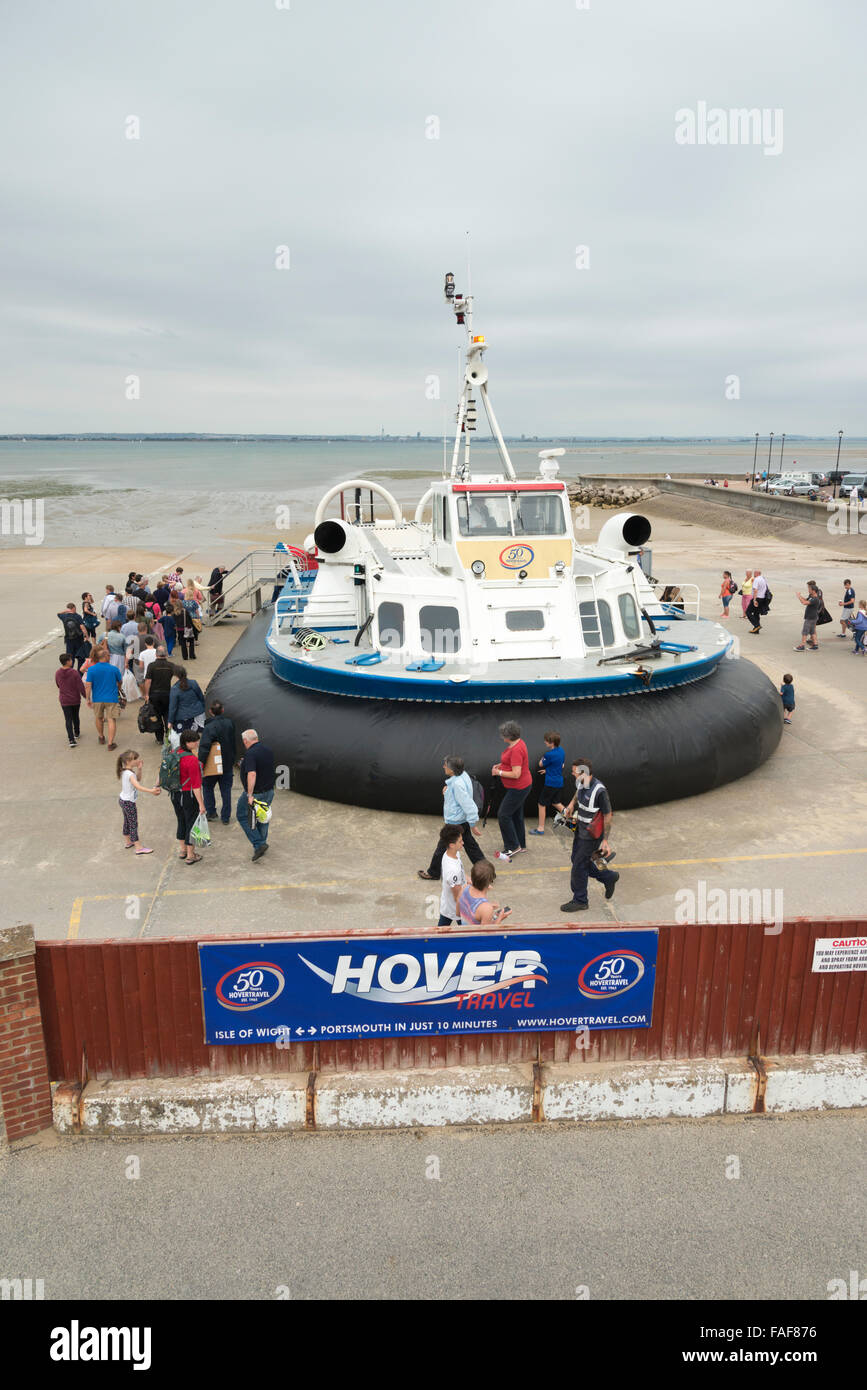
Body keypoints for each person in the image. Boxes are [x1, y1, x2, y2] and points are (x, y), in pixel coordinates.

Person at [559, 757, 619, 912]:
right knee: (577, 860)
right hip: (581, 829)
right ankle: (608, 877)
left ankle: (580, 900)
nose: (572, 774)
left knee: (578, 866)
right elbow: (578, 792)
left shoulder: (600, 791)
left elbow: (608, 815)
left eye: (574, 772)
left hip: (592, 835)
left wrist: (605, 840)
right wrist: (572, 804)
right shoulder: (582, 782)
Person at [417, 755, 485, 880]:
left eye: (445, 765)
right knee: (471, 846)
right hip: (461, 820)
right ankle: (486, 873)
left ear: (452, 770)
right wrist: (447, 791)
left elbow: (468, 804)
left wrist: (473, 824)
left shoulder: (456, 785)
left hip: (454, 822)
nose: (443, 766)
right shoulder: (463, 776)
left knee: (442, 847)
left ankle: (433, 873)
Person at [492, 720, 532, 863]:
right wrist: (501, 765)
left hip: (519, 788)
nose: (502, 737)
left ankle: (512, 846)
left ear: (508, 736)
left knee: (503, 814)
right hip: (521, 786)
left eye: (503, 735)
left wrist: (499, 772)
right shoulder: (518, 743)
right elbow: (512, 764)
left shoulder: (516, 749)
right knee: (516, 815)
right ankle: (521, 844)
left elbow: (516, 774)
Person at [237, 729, 276, 862]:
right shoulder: (268, 750)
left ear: (245, 741)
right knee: (263, 817)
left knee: (242, 815)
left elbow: (252, 774)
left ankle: (259, 844)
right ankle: (262, 843)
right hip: (269, 791)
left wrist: (249, 794)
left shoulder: (251, 754)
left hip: (256, 793)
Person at [170, 729, 206, 865]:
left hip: (174, 793)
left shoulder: (174, 753)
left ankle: (183, 850)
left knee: (181, 820)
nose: (197, 743)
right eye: (194, 741)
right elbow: (196, 786)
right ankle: (191, 855)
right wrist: (201, 804)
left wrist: (156, 786)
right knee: (191, 823)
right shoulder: (191, 760)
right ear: (187, 743)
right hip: (188, 795)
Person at [198, 700, 236, 824]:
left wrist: (201, 763)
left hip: (212, 765)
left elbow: (204, 747)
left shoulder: (209, 727)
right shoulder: (230, 723)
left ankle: (212, 813)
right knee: (226, 791)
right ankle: (226, 817)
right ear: (223, 710)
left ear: (210, 712)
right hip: (227, 763)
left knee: (208, 787)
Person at [116, 749, 160, 854]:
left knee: (127, 821)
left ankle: (128, 841)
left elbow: (138, 779)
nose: (138, 760)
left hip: (123, 800)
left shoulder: (126, 771)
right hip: (129, 802)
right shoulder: (129, 774)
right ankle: (138, 847)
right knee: (133, 824)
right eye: (135, 759)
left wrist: (140, 769)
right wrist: (152, 791)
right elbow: (138, 786)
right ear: (128, 761)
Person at [84, 651, 123, 749]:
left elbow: (88, 685)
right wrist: (118, 689)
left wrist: (88, 698)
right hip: (111, 698)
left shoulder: (92, 669)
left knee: (98, 717)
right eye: (109, 655)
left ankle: (101, 737)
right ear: (105, 657)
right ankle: (110, 743)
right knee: (111, 719)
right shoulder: (114, 669)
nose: (110, 657)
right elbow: (120, 681)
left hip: (97, 698)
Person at [457, 860, 511, 927]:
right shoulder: (486, 908)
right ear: (490, 881)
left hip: (463, 931)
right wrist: (500, 918)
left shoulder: (464, 888)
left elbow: (458, 913)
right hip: (474, 937)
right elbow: (486, 935)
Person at [531, 731, 565, 835]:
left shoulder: (549, 754)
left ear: (552, 743)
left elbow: (540, 764)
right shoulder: (562, 751)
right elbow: (561, 765)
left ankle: (540, 829)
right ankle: (574, 820)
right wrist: (548, 770)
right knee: (556, 803)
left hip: (551, 783)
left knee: (541, 804)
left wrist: (543, 759)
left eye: (547, 741)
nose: (545, 742)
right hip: (559, 782)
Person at [143, 646, 179, 741]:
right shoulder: (171, 665)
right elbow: (179, 676)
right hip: (167, 694)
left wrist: (146, 694)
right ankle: (169, 737)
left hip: (154, 695)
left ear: (156, 654)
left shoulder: (151, 666)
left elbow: (148, 681)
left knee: (157, 716)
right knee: (167, 715)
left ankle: (159, 739)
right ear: (166, 654)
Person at [436, 825, 466, 926]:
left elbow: (460, 872)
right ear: (452, 845)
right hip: (458, 910)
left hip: (447, 905)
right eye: (460, 841)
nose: (463, 843)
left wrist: (468, 879)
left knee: (440, 933)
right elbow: (458, 897)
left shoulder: (451, 853)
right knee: (469, 935)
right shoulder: (452, 870)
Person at [55, 652, 87, 747]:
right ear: (68, 661)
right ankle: (76, 732)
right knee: (75, 716)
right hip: (75, 699)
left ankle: (71, 740)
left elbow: (58, 684)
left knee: (68, 719)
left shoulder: (58, 673)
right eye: (71, 659)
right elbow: (80, 686)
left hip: (64, 700)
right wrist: (86, 696)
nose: (72, 661)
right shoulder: (74, 672)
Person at [57, 602, 90, 668]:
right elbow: (82, 627)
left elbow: (58, 614)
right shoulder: (77, 616)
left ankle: (70, 670)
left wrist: (66, 611)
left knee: (70, 657)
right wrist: (87, 637)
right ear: (74, 608)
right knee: (81, 656)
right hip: (79, 639)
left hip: (69, 639)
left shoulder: (64, 616)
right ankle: (80, 672)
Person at [794, 580, 822, 651]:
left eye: (810, 589)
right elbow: (805, 599)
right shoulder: (811, 597)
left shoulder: (815, 599)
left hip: (811, 618)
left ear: (814, 591)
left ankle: (802, 646)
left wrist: (798, 596)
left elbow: (804, 602)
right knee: (812, 632)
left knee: (805, 631)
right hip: (812, 617)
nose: (808, 590)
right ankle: (815, 645)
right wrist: (800, 596)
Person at [176, 597, 198, 662]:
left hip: (179, 629)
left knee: (183, 643)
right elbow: (190, 620)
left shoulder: (175, 613)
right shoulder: (185, 611)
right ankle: (191, 655)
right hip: (187, 628)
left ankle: (185, 656)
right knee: (191, 641)